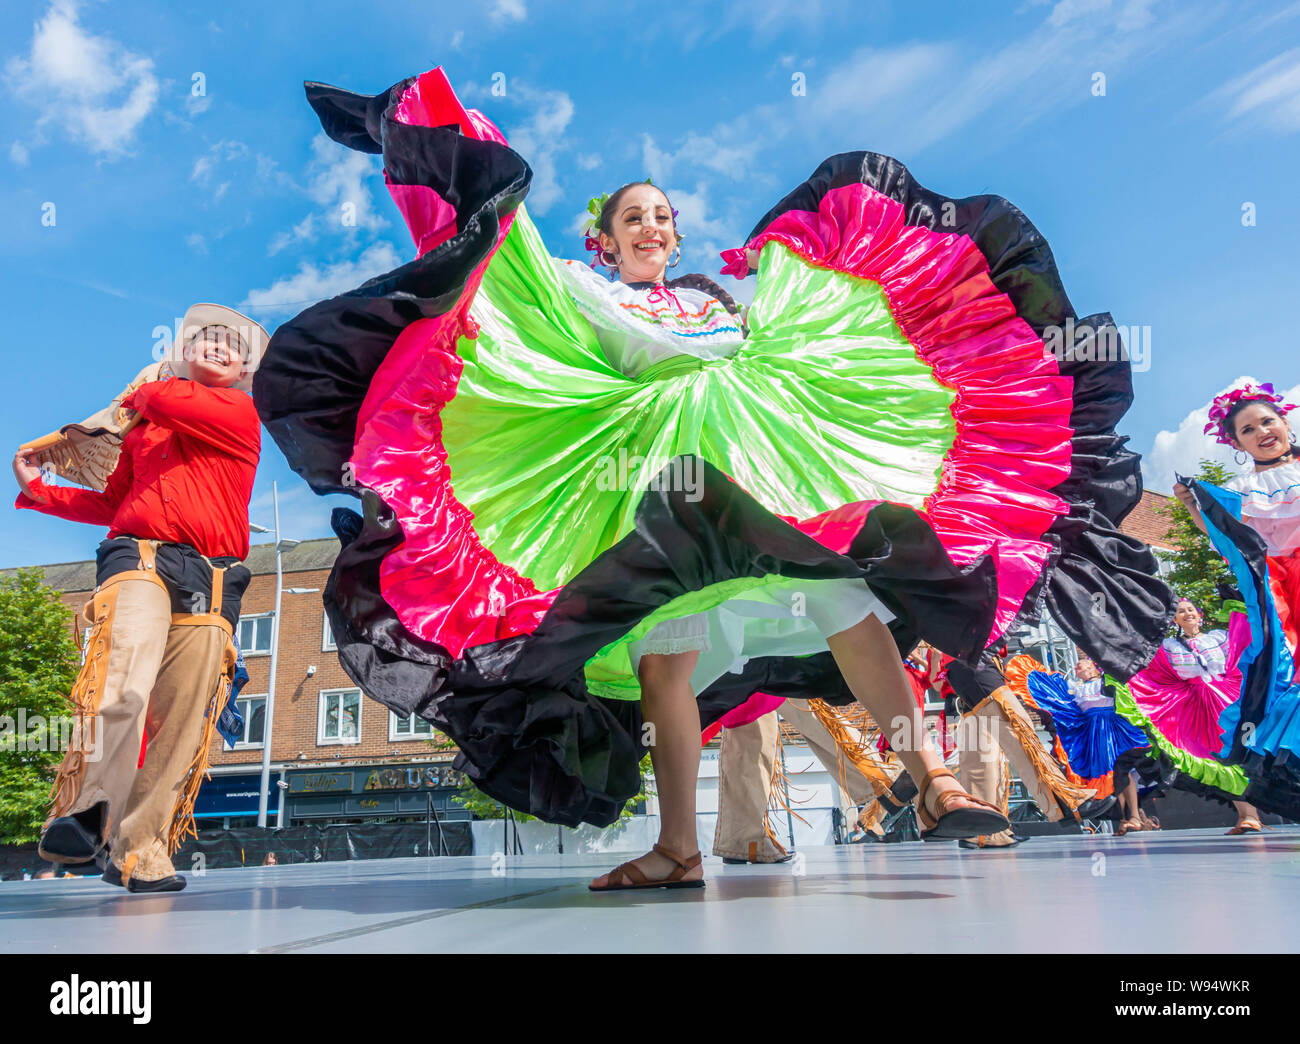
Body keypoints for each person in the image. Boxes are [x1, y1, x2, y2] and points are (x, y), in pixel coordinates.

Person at [255, 67, 1173, 892]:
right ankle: (679, 845)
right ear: (606, 240)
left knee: (841, 594)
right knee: (666, 657)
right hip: (660, 474)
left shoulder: (716, 298)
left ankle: (929, 779)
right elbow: (513, 267)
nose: (653, 225)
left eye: (662, 213)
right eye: (632, 217)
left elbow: (801, 321)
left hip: (769, 450)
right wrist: (436, 141)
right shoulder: (590, 293)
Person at [14, 303, 265, 893]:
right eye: (206, 338)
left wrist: (143, 388)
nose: (218, 346)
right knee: (121, 677)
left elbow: (160, 399)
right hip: (140, 555)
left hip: (214, 576)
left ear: (245, 370)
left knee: (182, 719)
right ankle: (87, 812)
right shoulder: (146, 423)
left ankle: (140, 851)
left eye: (233, 346)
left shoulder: (235, 411)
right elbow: (113, 501)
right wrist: (42, 492)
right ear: (185, 350)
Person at [1129, 598, 1263, 833]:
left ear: (1200, 615)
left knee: (1237, 754)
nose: (1187, 614)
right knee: (1217, 759)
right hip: (1198, 707)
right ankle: (1245, 815)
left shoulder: (1219, 638)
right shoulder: (1169, 646)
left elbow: (1246, 650)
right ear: (1175, 619)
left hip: (1227, 702)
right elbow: (1150, 664)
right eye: (1181, 611)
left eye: (1190, 610)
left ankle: (1251, 814)